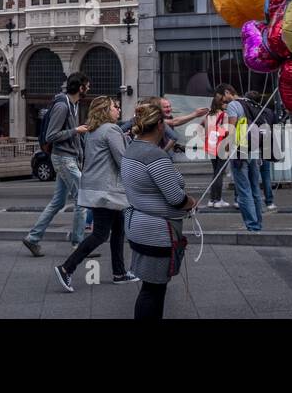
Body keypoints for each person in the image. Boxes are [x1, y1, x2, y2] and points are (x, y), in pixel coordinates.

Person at [122, 99, 196, 319]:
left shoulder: (132, 149)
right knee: (154, 290)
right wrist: (190, 202)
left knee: (149, 288)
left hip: (139, 225)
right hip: (156, 232)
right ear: (161, 126)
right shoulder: (155, 156)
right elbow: (176, 198)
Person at [54, 97, 136, 291]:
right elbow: (122, 159)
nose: (118, 109)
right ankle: (66, 268)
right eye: (115, 106)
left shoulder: (93, 131)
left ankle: (119, 272)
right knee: (100, 234)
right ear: (105, 111)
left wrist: (127, 138)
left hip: (99, 189)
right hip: (107, 191)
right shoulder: (111, 130)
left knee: (118, 229)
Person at [22, 72, 90, 256]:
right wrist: (75, 130)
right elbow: (51, 136)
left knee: (58, 202)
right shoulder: (62, 106)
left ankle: (33, 238)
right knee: (82, 199)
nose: (89, 88)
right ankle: (78, 246)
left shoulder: (72, 105)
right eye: (87, 85)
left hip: (67, 157)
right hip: (64, 158)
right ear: (80, 87)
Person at [224, 87, 265, 233]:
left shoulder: (234, 105)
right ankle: (258, 223)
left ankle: (252, 225)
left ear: (227, 93)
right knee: (255, 189)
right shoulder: (254, 106)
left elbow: (232, 127)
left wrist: (227, 147)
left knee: (243, 190)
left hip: (240, 151)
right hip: (254, 151)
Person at [202, 93, 231, 208]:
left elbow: (204, 128)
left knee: (215, 173)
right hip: (221, 146)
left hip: (211, 146)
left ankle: (212, 199)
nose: (226, 105)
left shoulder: (208, 115)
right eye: (224, 102)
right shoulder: (224, 115)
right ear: (219, 103)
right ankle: (218, 200)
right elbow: (226, 132)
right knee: (219, 173)